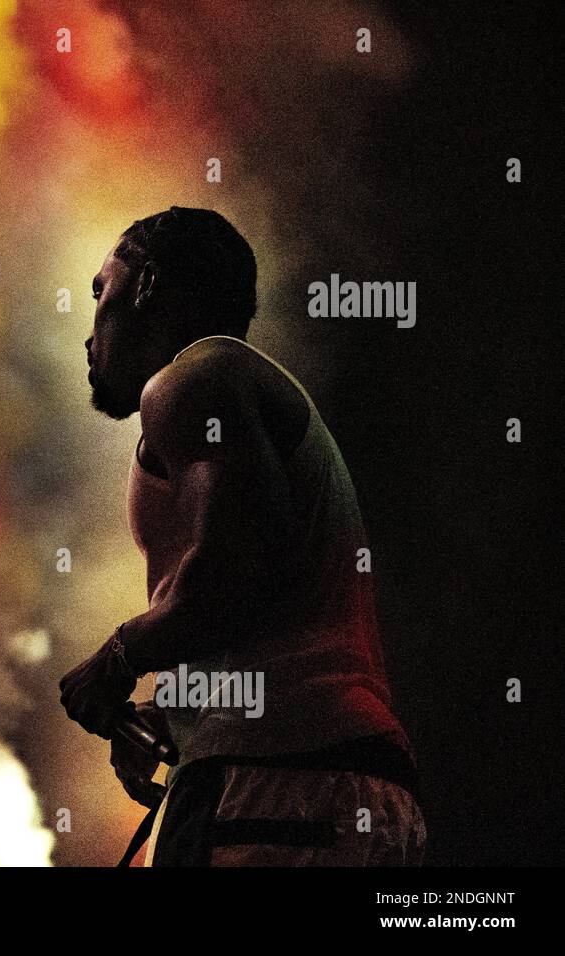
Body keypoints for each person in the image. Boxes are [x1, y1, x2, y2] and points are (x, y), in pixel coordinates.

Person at [60, 207, 425, 865]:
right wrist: (176, 712)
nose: (89, 335)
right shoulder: (236, 392)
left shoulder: (198, 376)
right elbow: (265, 603)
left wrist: (118, 657)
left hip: (272, 790)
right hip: (342, 787)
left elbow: (232, 568)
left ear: (145, 286)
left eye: (100, 292)